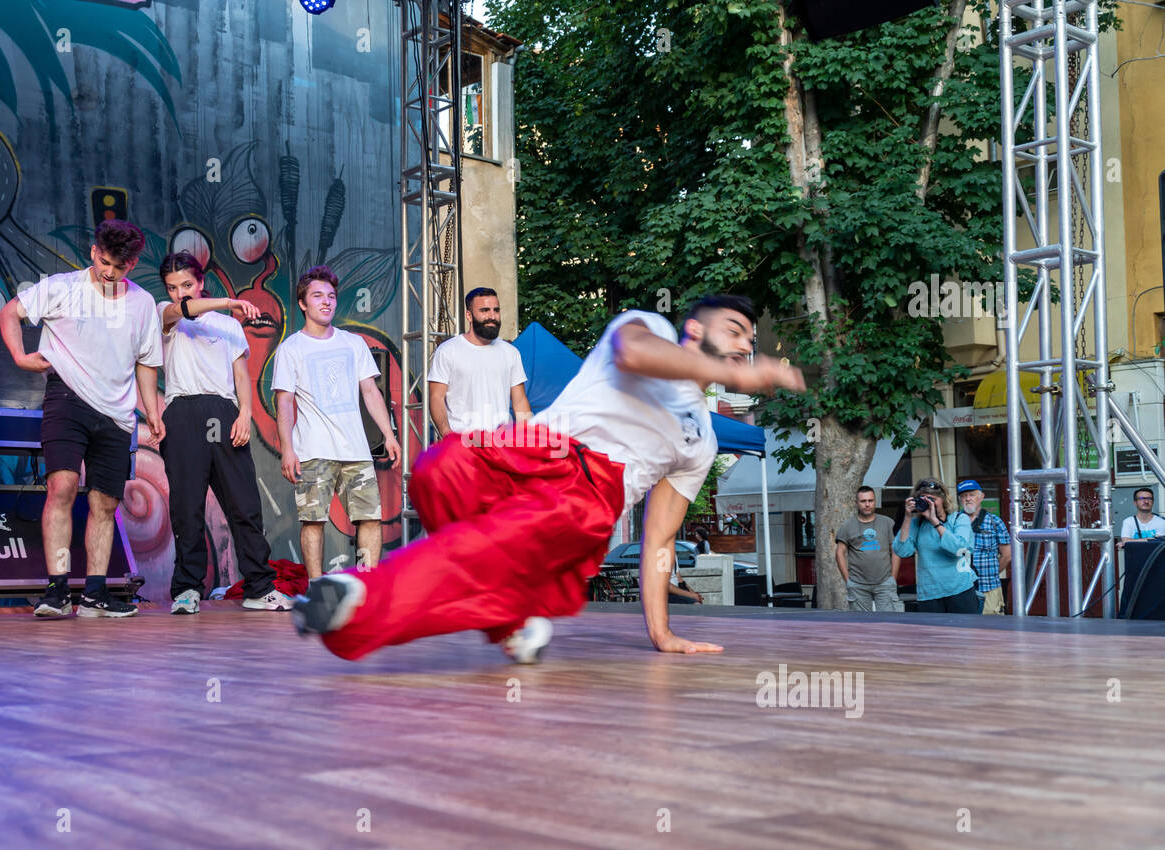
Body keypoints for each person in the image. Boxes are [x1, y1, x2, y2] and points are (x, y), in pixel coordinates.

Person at [291, 294, 804, 662]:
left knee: (479, 549)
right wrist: (736, 376)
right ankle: (512, 614)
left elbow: (661, 539)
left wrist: (663, 631)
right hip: (533, 447)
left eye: (750, 341)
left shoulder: (702, 439)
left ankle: (355, 607)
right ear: (694, 331)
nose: (745, 346)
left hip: (590, 492)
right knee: (439, 468)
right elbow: (632, 353)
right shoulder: (649, 329)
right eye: (734, 331)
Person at [0, 219, 164, 618]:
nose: (110, 272)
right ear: (93, 252)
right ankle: (56, 590)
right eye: (105, 261)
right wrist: (21, 357)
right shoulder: (61, 287)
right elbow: (9, 313)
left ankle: (94, 593)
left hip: (117, 415)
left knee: (106, 504)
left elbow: (146, 364)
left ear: (133, 264)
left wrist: (153, 413)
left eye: (120, 267)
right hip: (66, 398)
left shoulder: (141, 304)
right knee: (63, 488)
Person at [157, 252, 294, 614]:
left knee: (244, 504)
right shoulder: (165, 314)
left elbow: (240, 376)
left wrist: (245, 413)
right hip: (183, 412)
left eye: (187, 285)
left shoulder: (228, 326)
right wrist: (232, 301)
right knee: (187, 508)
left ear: (200, 282)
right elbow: (183, 311)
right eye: (173, 287)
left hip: (223, 411)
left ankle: (259, 587)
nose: (180, 294)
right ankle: (187, 590)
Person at [272, 266, 402, 579]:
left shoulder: (353, 343)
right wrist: (288, 449)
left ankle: (366, 584)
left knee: (369, 518)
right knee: (313, 520)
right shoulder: (291, 348)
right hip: (313, 450)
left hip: (356, 450)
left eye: (331, 296)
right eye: (318, 296)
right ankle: (317, 588)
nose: (326, 301)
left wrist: (389, 434)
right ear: (303, 303)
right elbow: (284, 402)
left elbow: (370, 392)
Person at [427, 287, 532, 435]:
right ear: (469, 315)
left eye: (496, 310)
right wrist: (446, 433)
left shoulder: (511, 352)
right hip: (462, 443)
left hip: (500, 444)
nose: (492, 316)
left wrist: (528, 438)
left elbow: (520, 402)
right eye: (484, 310)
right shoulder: (447, 351)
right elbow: (436, 397)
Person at [892, 477, 979, 614]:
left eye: (932, 499)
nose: (928, 503)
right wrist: (907, 517)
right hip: (929, 594)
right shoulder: (917, 524)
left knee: (965, 635)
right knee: (934, 635)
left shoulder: (958, 519)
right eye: (923, 499)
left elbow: (959, 549)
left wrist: (935, 522)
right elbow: (902, 551)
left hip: (959, 590)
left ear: (943, 499)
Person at [834, 485, 900, 612]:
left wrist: (893, 579)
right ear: (857, 503)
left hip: (885, 583)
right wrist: (848, 580)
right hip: (858, 585)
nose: (867, 504)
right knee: (861, 625)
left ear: (875, 501)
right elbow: (839, 553)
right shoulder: (847, 526)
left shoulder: (887, 523)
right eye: (863, 501)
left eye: (870, 501)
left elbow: (896, 551)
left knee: (890, 623)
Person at [956, 479, 1010, 615]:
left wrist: (991, 574)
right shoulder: (953, 521)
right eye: (963, 496)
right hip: (959, 588)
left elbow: (1007, 555)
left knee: (992, 629)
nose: (968, 499)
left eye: (972, 494)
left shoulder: (995, 522)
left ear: (981, 497)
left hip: (989, 587)